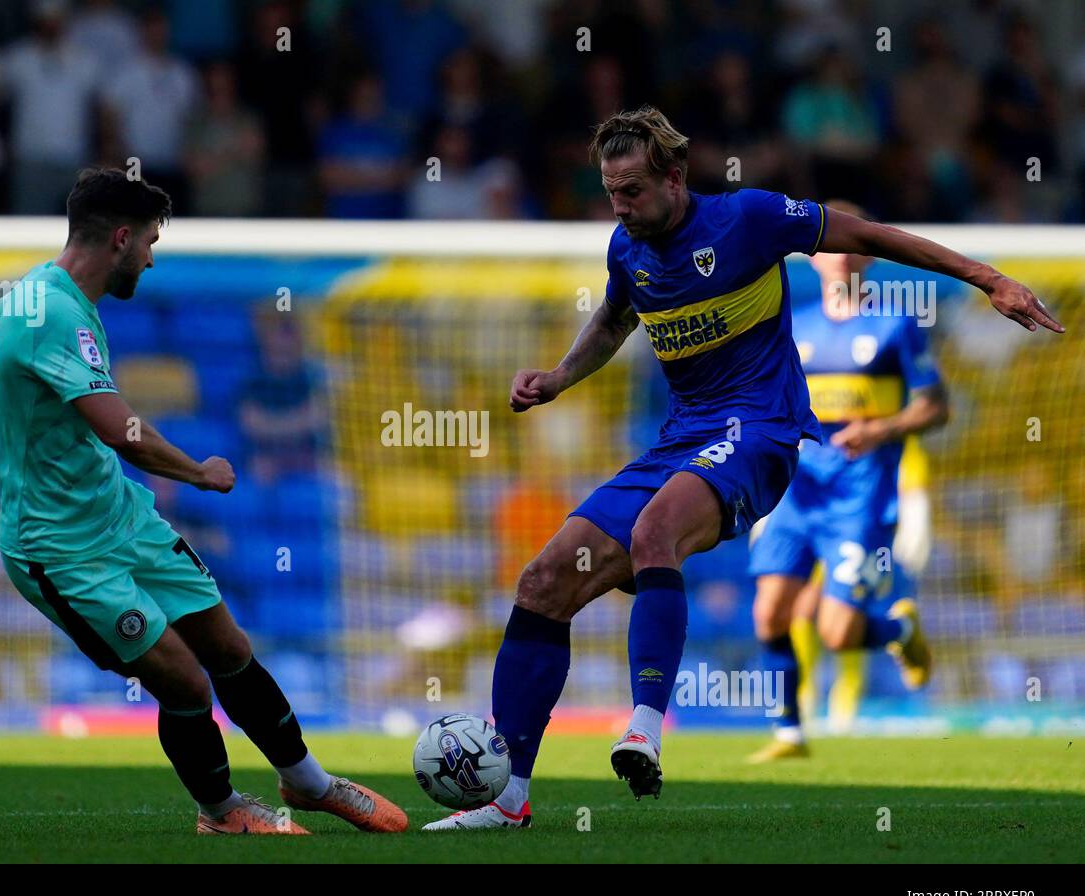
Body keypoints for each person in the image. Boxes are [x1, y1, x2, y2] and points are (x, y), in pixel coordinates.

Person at [424, 107, 1060, 831]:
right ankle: (506, 801)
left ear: (674, 175)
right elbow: (612, 320)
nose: (622, 207)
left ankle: (645, 728)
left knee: (655, 530)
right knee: (542, 583)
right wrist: (560, 377)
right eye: (611, 193)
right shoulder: (625, 249)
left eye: (632, 190)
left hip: (759, 429)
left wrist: (988, 279)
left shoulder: (750, 219)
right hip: (682, 438)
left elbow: (871, 236)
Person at [0, 167, 407, 837]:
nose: (152, 258)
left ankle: (309, 784)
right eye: (150, 242)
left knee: (228, 646)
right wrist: (199, 473)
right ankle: (222, 812)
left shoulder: (39, 292)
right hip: (61, 551)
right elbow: (122, 431)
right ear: (120, 239)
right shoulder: (57, 313)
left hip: (121, 519)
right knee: (184, 681)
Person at [745, 200, 949, 763]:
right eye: (827, 245)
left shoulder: (894, 323)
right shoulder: (795, 328)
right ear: (811, 258)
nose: (838, 255)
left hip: (860, 497)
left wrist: (883, 428)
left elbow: (937, 408)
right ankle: (789, 731)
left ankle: (897, 634)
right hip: (796, 491)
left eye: (851, 244)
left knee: (836, 633)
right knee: (769, 612)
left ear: (869, 255)